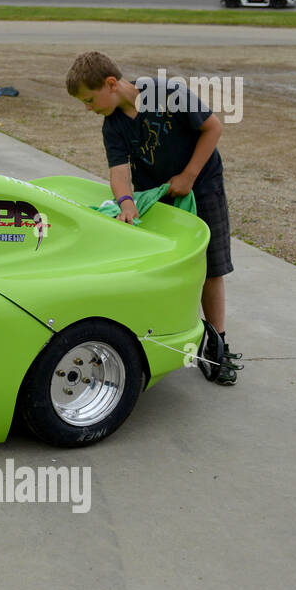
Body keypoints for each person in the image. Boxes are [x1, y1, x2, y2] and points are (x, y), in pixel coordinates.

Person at [65, 50, 242, 385]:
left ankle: (217, 344)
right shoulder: (113, 125)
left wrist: (189, 175)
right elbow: (118, 172)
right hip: (157, 194)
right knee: (165, 265)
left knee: (210, 266)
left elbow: (213, 128)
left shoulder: (165, 94)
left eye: (89, 100)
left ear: (111, 83)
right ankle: (165, 335)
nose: (88, 109)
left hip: (202, 186)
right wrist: (127, 202)